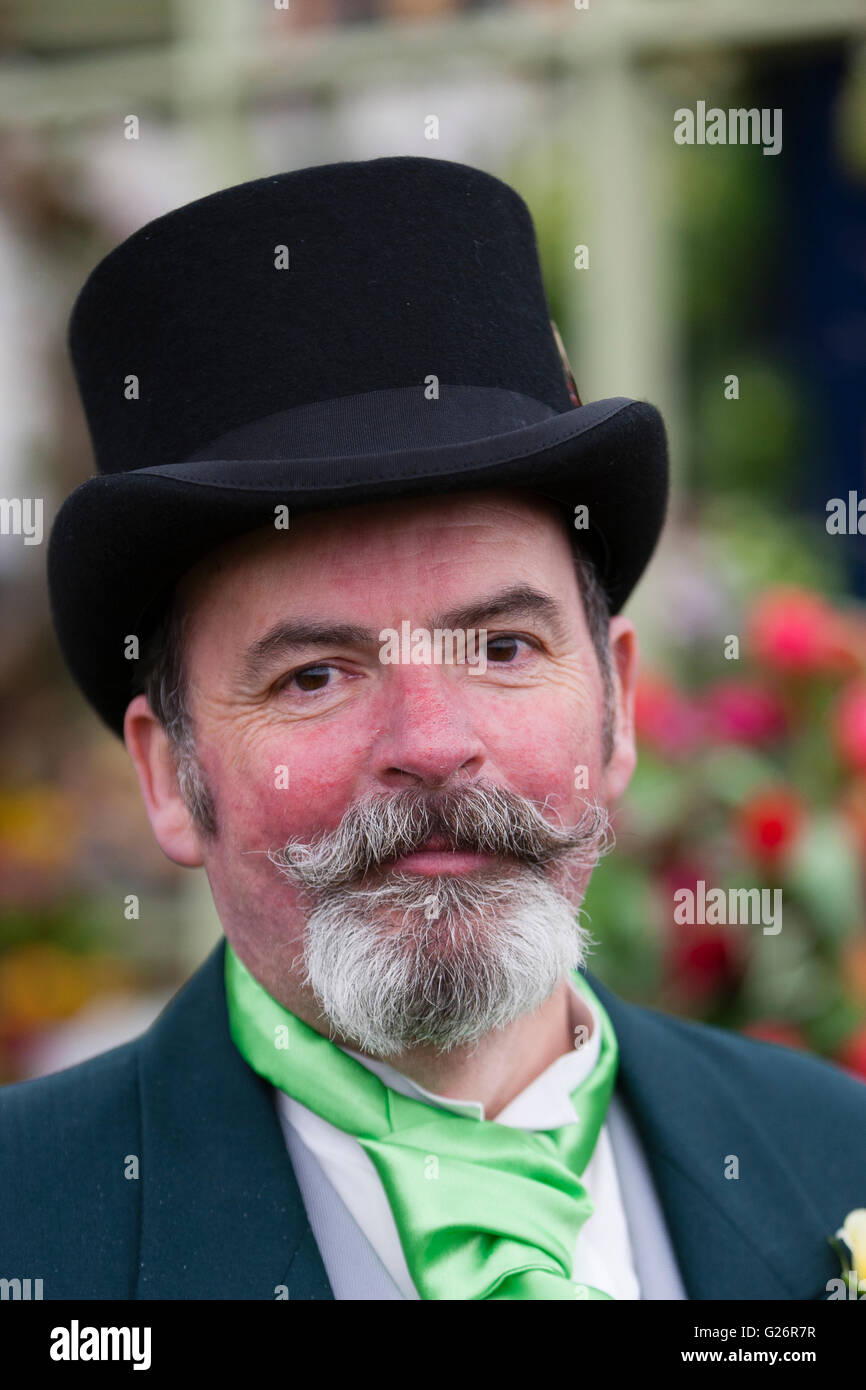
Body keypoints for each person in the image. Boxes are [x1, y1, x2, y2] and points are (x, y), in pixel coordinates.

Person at [2, 156, 863, 1301]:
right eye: (314, 675)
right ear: (171, 775)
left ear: (611, 707)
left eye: (502, 649)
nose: (432, 739)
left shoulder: (833, 1154)